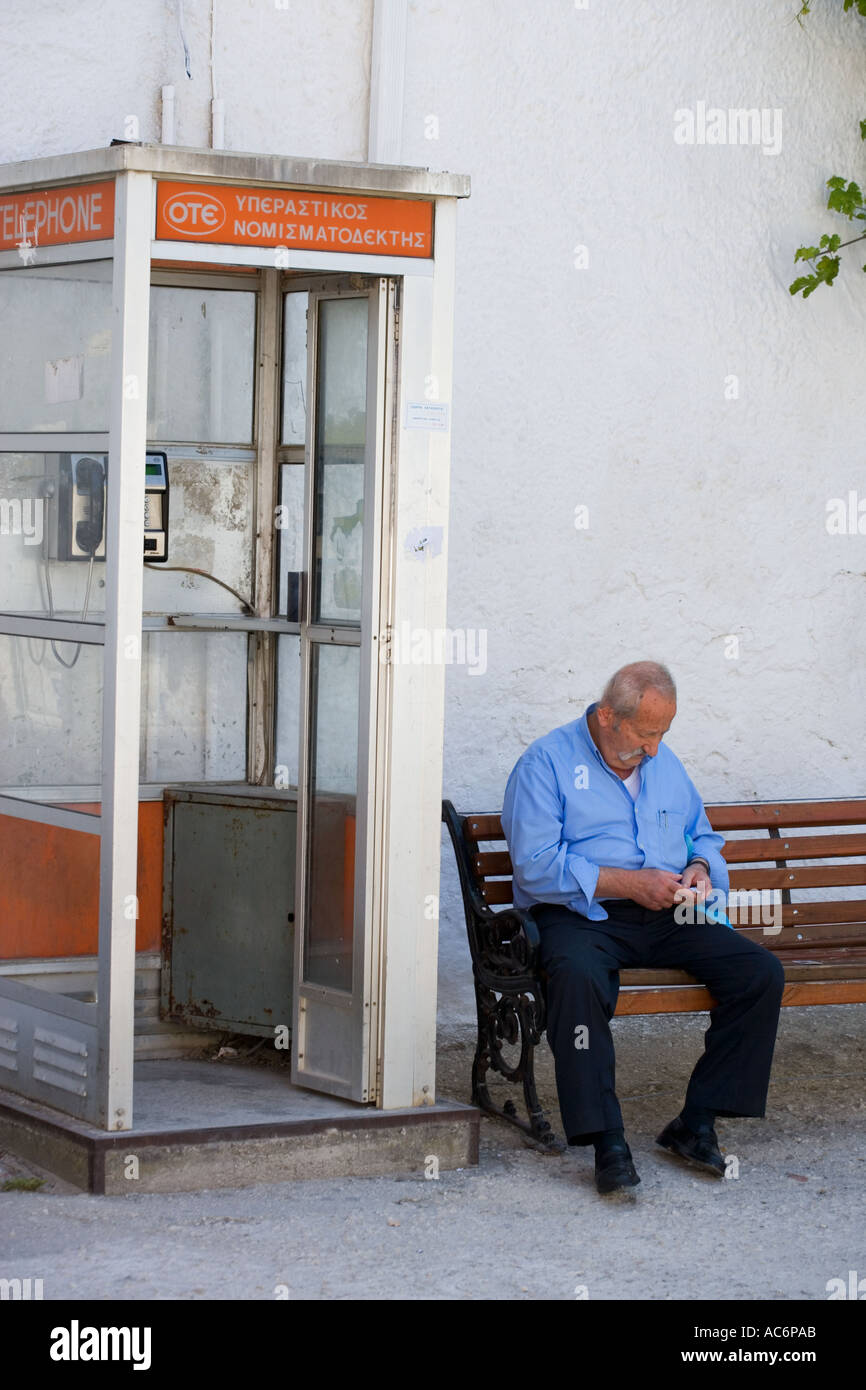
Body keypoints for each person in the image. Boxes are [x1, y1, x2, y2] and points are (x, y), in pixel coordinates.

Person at [501, 661, 785, 1197]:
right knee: (576, 977)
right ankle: (606, 1139)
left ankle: (696, 1123)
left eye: (663, 734)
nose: (654, 748)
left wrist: (700, 871)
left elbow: (701, 836)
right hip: (579, 912)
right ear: (607, 716)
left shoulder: (664, 762)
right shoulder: (547, 762)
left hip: (665, 908)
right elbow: (534, 865)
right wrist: (628, 884)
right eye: (644, 733)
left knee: (759, 973)